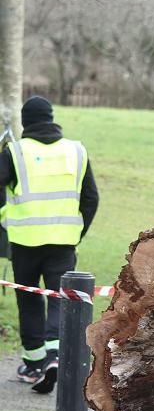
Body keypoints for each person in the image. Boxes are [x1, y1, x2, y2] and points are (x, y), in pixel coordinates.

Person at [0, 96, 99, 392]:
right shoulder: (76, 151)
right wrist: (77, 232)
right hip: (63, 241)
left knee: (29, 299)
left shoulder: (14, 152)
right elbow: (91, 198)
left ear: (25, 122)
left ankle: (33, 365)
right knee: (60, 297)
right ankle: (55, 357)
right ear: (51, 118)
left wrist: (5, 218)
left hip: (24, 242)